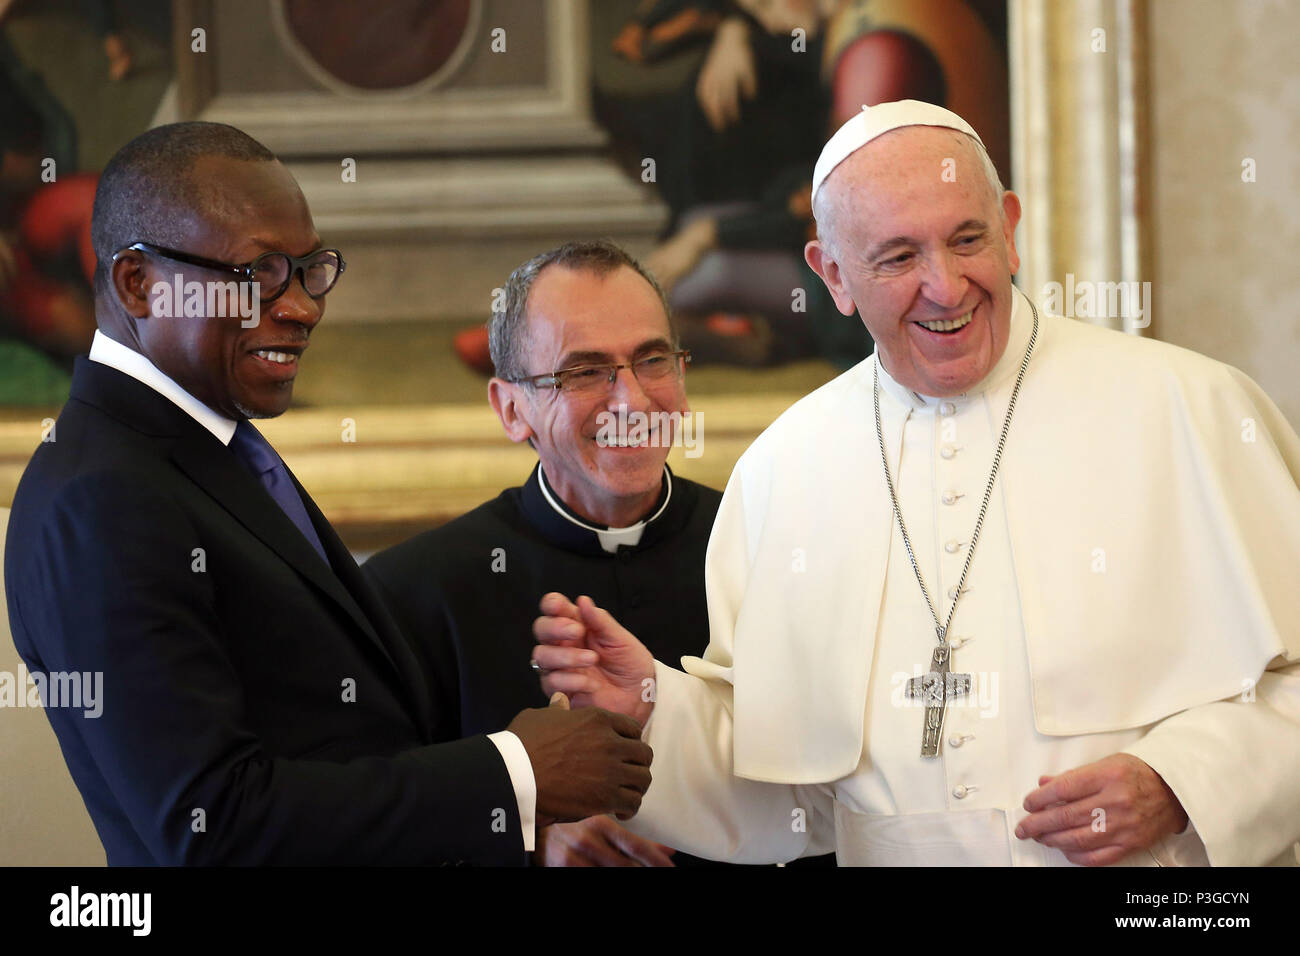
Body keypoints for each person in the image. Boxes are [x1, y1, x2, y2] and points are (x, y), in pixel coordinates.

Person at [531, 100, 1300, 866]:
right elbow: (792, 800)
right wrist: (655, 709)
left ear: (1009, 227)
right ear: (832, 274)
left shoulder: (1189, 409)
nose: (944, 286)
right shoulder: (785, 469)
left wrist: (1182, 782)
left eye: (967, 240)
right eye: (897, 258)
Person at [3, 122, 652, 865]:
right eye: (262, 274)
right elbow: (213, 826)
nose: (303, 306)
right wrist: (516, 774)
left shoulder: (208, 449)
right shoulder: (104, 498)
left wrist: (518, 829)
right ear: (139, 284)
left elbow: (343, 749)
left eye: (312, 270)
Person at [367, 239, 819, 865]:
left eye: (653, 360)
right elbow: (369, 826)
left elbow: (835, 788)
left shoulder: (777, 550)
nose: (632, 401)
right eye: (583, 372)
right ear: (511, 408)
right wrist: (525, 835)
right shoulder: (412, 594)